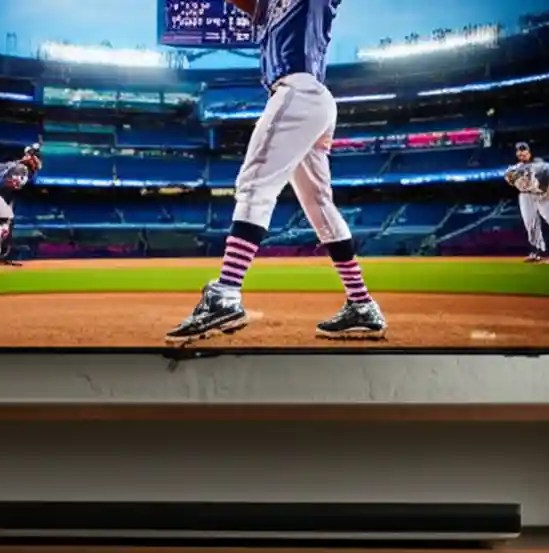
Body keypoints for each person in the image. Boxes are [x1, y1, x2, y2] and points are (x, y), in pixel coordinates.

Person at [165, 0, 387, 344]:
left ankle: (226, 293)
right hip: (312, 100)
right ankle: (361, 303)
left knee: (254, 184)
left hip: (299, 91)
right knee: (320, 206)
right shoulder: (266, 8)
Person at [504, 141, 549, 264]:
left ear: (530, 152)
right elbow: (509, 179)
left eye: (524, 150)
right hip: (525, 196)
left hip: (543, 196)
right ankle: (536, 252)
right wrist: (512, 177)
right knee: (530, 225)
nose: (521, 153)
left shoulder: (542, 165)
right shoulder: (515, 168)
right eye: (519, 151)